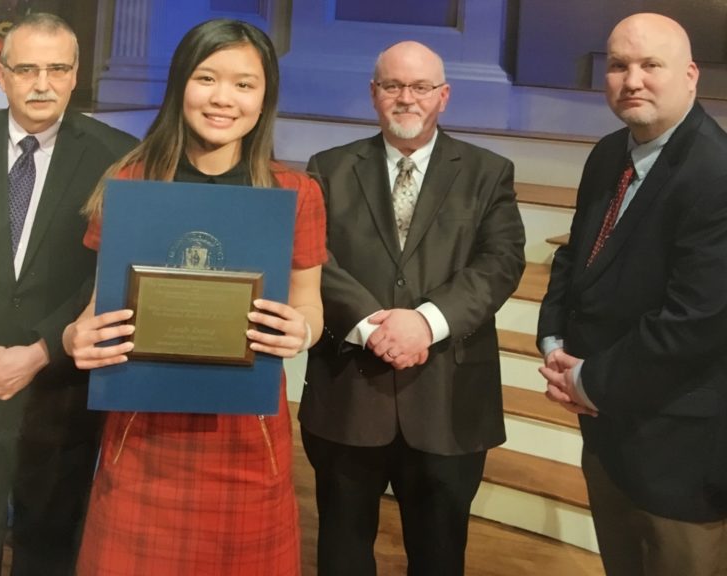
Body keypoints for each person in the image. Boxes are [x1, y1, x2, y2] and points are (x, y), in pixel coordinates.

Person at [62, 19, 326, 575]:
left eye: (244, 84)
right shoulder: (131, 181)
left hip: (247, 437)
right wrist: (74, 336)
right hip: (143, 432)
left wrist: (301, 330)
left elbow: (310, 305)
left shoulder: (294, 193)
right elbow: (99, 304)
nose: (223, 98)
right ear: (180, 83)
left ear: (265, 98)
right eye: (207, 78)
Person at [299, 41, 526, 576]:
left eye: (421, 87)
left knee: (439, 557)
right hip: (349, 394)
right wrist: (370, 325)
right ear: (373, 93)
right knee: (342, 553)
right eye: (393, 86)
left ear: (443, 96)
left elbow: (501, 261)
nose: (407, 98)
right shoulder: (327, 168)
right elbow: (312, 258)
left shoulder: (488, 172)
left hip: (447, 399)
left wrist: (425, 322)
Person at [538, 12, 727, 576]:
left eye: (651, 65)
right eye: (619, 65)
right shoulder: (608, 154)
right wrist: (553, 340)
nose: (632, 80)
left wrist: (587, 381)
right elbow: (576, 256)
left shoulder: (716, 172)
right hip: (607, 430)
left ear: (690, 75)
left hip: (678, 449)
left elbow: (693, 321)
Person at [0, 12, 137, 576]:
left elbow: (112, 273)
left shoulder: (120, 158)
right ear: (2, 75)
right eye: (27, 69)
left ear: (75, 74)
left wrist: (39, 351)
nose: (42, 84)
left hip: (61, 386)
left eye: (57, 69)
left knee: (49, 546)